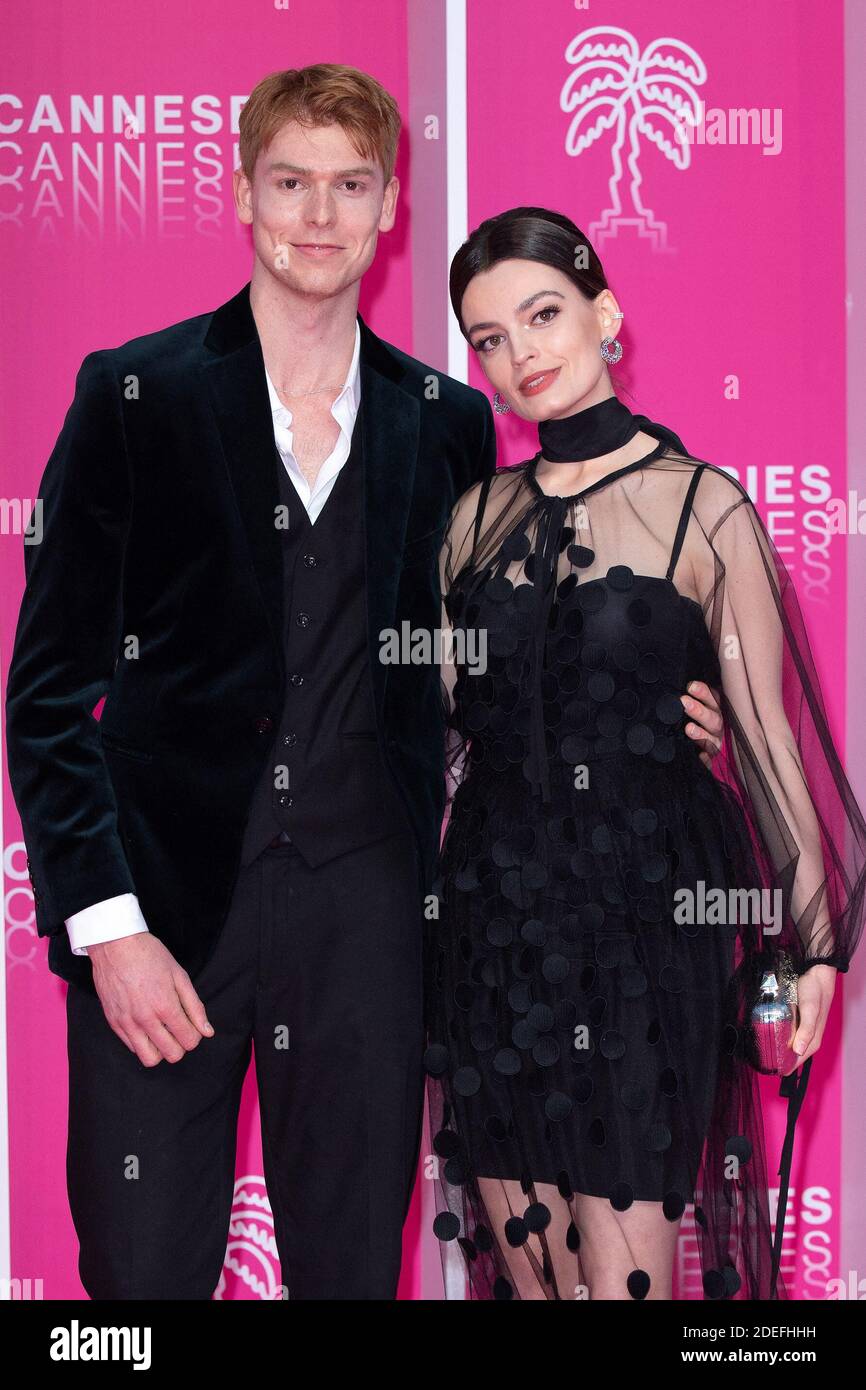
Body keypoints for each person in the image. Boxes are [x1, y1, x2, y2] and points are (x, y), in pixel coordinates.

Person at [4, 64, 722, 1301]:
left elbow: (485, 658)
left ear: (390, 206)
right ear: (241, 193)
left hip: (371, 925)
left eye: (350, 186)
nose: (320, 216)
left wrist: (658, 703)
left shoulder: (441, 419)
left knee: (350, 1272)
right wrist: (108, 930)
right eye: (291, 182)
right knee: (135, 1281)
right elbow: (46, 695)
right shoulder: (135, 392)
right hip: (166, 923)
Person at [424, 206, 866, 1302]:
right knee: (534, 1288)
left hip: (643, 926)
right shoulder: (468, 521)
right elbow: (434, 743)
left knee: (621, 1289)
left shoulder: (704, 509)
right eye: (488, 336)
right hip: (492, 935)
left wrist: (816, 952)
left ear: (604, 314)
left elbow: (765, 743)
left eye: (542, 314)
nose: (520, 351)